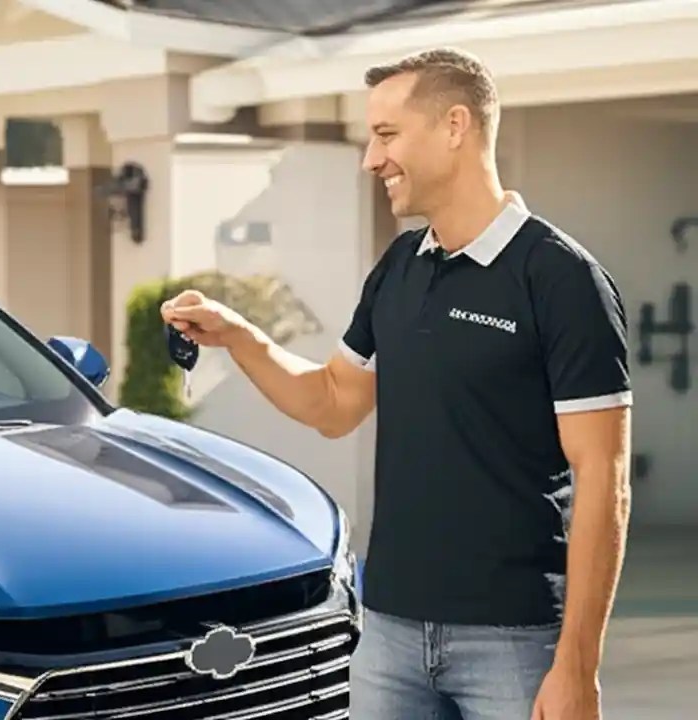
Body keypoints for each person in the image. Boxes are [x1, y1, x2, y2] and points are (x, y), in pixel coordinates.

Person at [161, 47, 631, 720]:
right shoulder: (401, 265)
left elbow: (604, 482)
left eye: (385, 135)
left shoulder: (560, 279)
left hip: (516, 642)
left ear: (455, 127)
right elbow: (332, 402)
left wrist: (577, 667)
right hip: (387, 636)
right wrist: (239, 335)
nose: (370, 159)